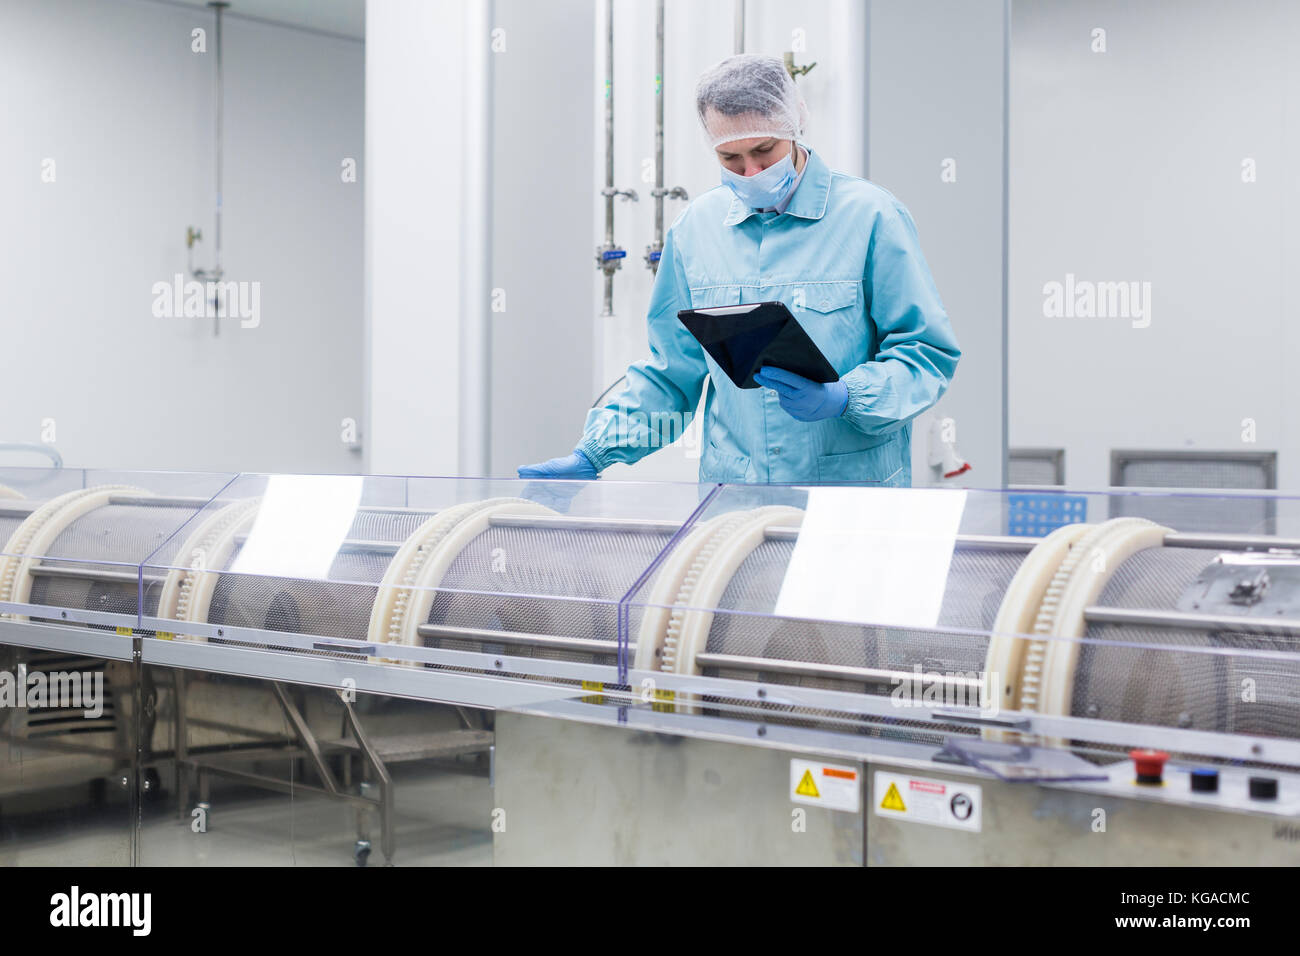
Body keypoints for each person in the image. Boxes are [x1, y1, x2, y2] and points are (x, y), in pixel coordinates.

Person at [519, 54, 960, 486]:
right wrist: (595, 452)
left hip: (849, 497)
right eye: (730, 158)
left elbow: (925, 354)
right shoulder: (696, 229)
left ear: (794, 126)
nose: (751, 172)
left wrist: (847, 397)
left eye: (764, 151)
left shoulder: (871, 217)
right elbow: (673, 373)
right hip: (733, 496)